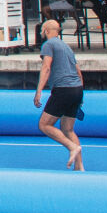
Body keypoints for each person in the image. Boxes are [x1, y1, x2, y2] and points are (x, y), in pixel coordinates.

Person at [33, 18, 85, 171]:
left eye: (43, 31)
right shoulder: (66, 47)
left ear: (47, 31)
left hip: (63, 89)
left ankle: (71, 147)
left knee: (44, 125)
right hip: (77, 89)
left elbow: (46, 67)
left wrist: (39, 91)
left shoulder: (48, 45)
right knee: (68, 129)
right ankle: (79, 166)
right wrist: (80, 96)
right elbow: (78, 72)